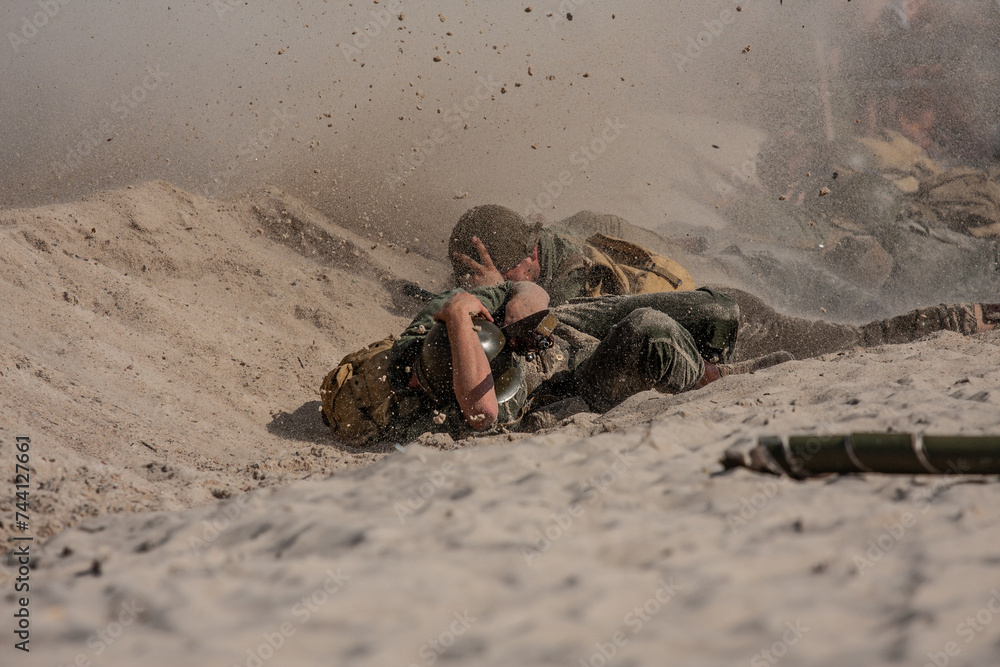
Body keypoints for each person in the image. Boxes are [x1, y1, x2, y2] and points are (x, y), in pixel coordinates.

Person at [448, 205, 1000, 364]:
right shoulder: (552, 240)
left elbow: (546, 330)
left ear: (529, 255)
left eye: (500, 271)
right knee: (842, 335)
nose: (489, 283)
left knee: (850, 342)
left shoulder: (571, 277)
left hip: (729, 320)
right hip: (710, 307)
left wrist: (501, 290)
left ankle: (965, 317)